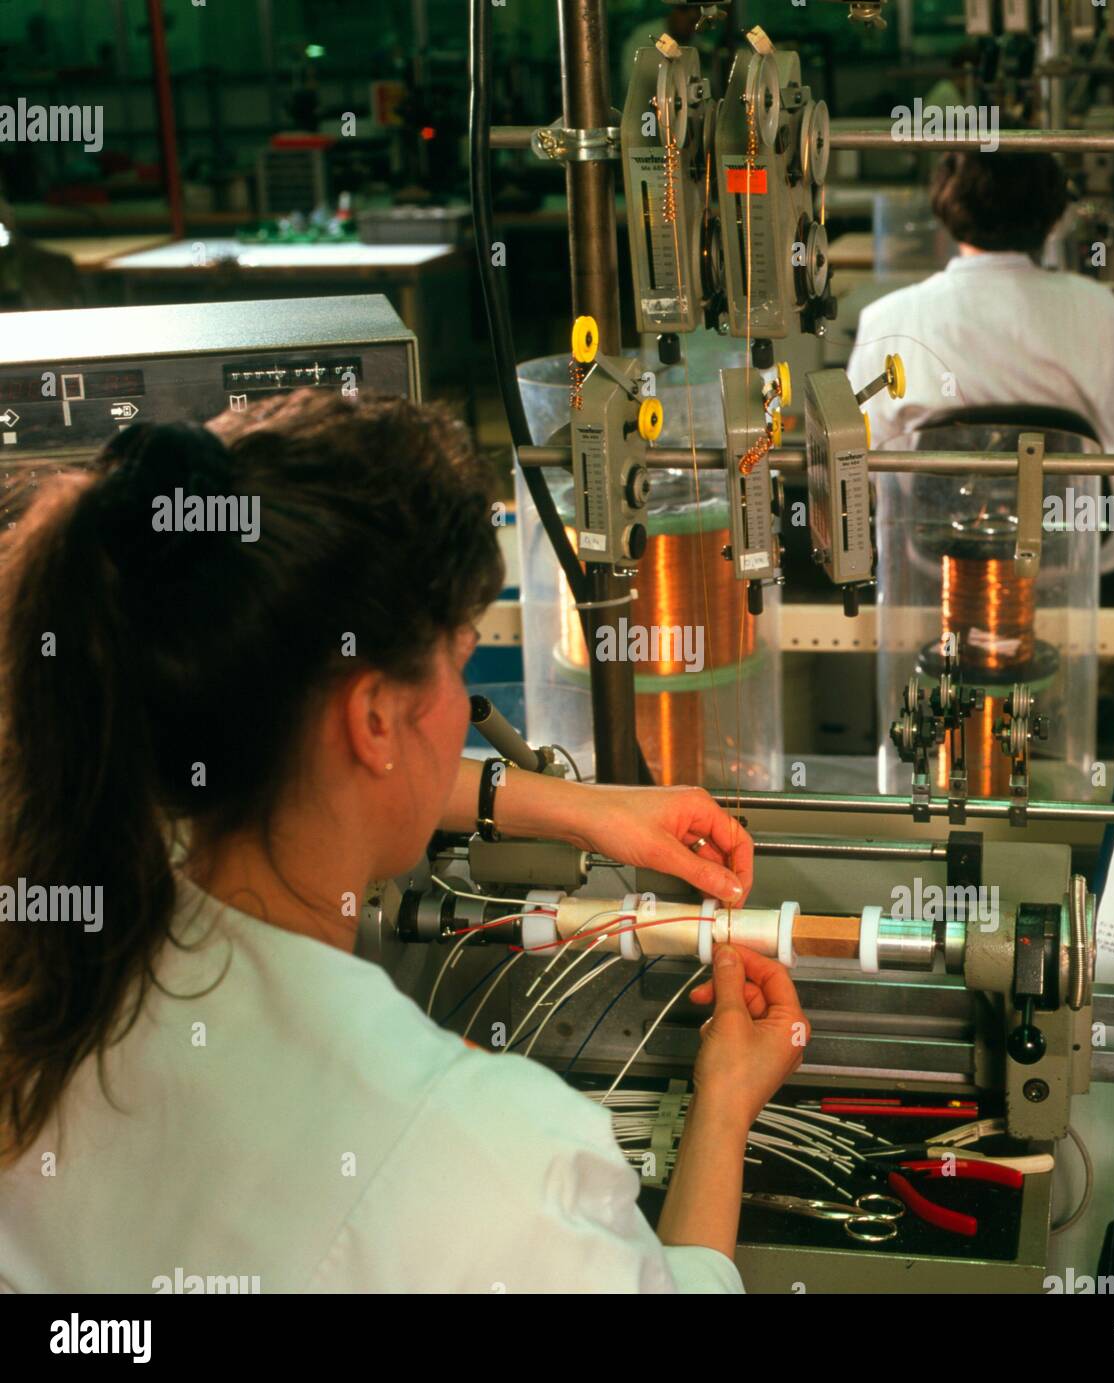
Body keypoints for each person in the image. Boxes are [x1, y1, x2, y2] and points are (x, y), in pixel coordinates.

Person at [0, 391, 809, 1292]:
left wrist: (580, 808)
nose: (462, 705)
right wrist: (725, 1107)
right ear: (376, 721)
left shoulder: (47, 966)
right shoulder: (486, 1160)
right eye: (458, 663)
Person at [847, 151, 1114, 454]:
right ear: (1053, 215)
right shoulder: (1096, 305)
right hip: (1067, 501)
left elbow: (867, 444)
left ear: (946, 209)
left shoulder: (887, 318)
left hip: (937, 502)